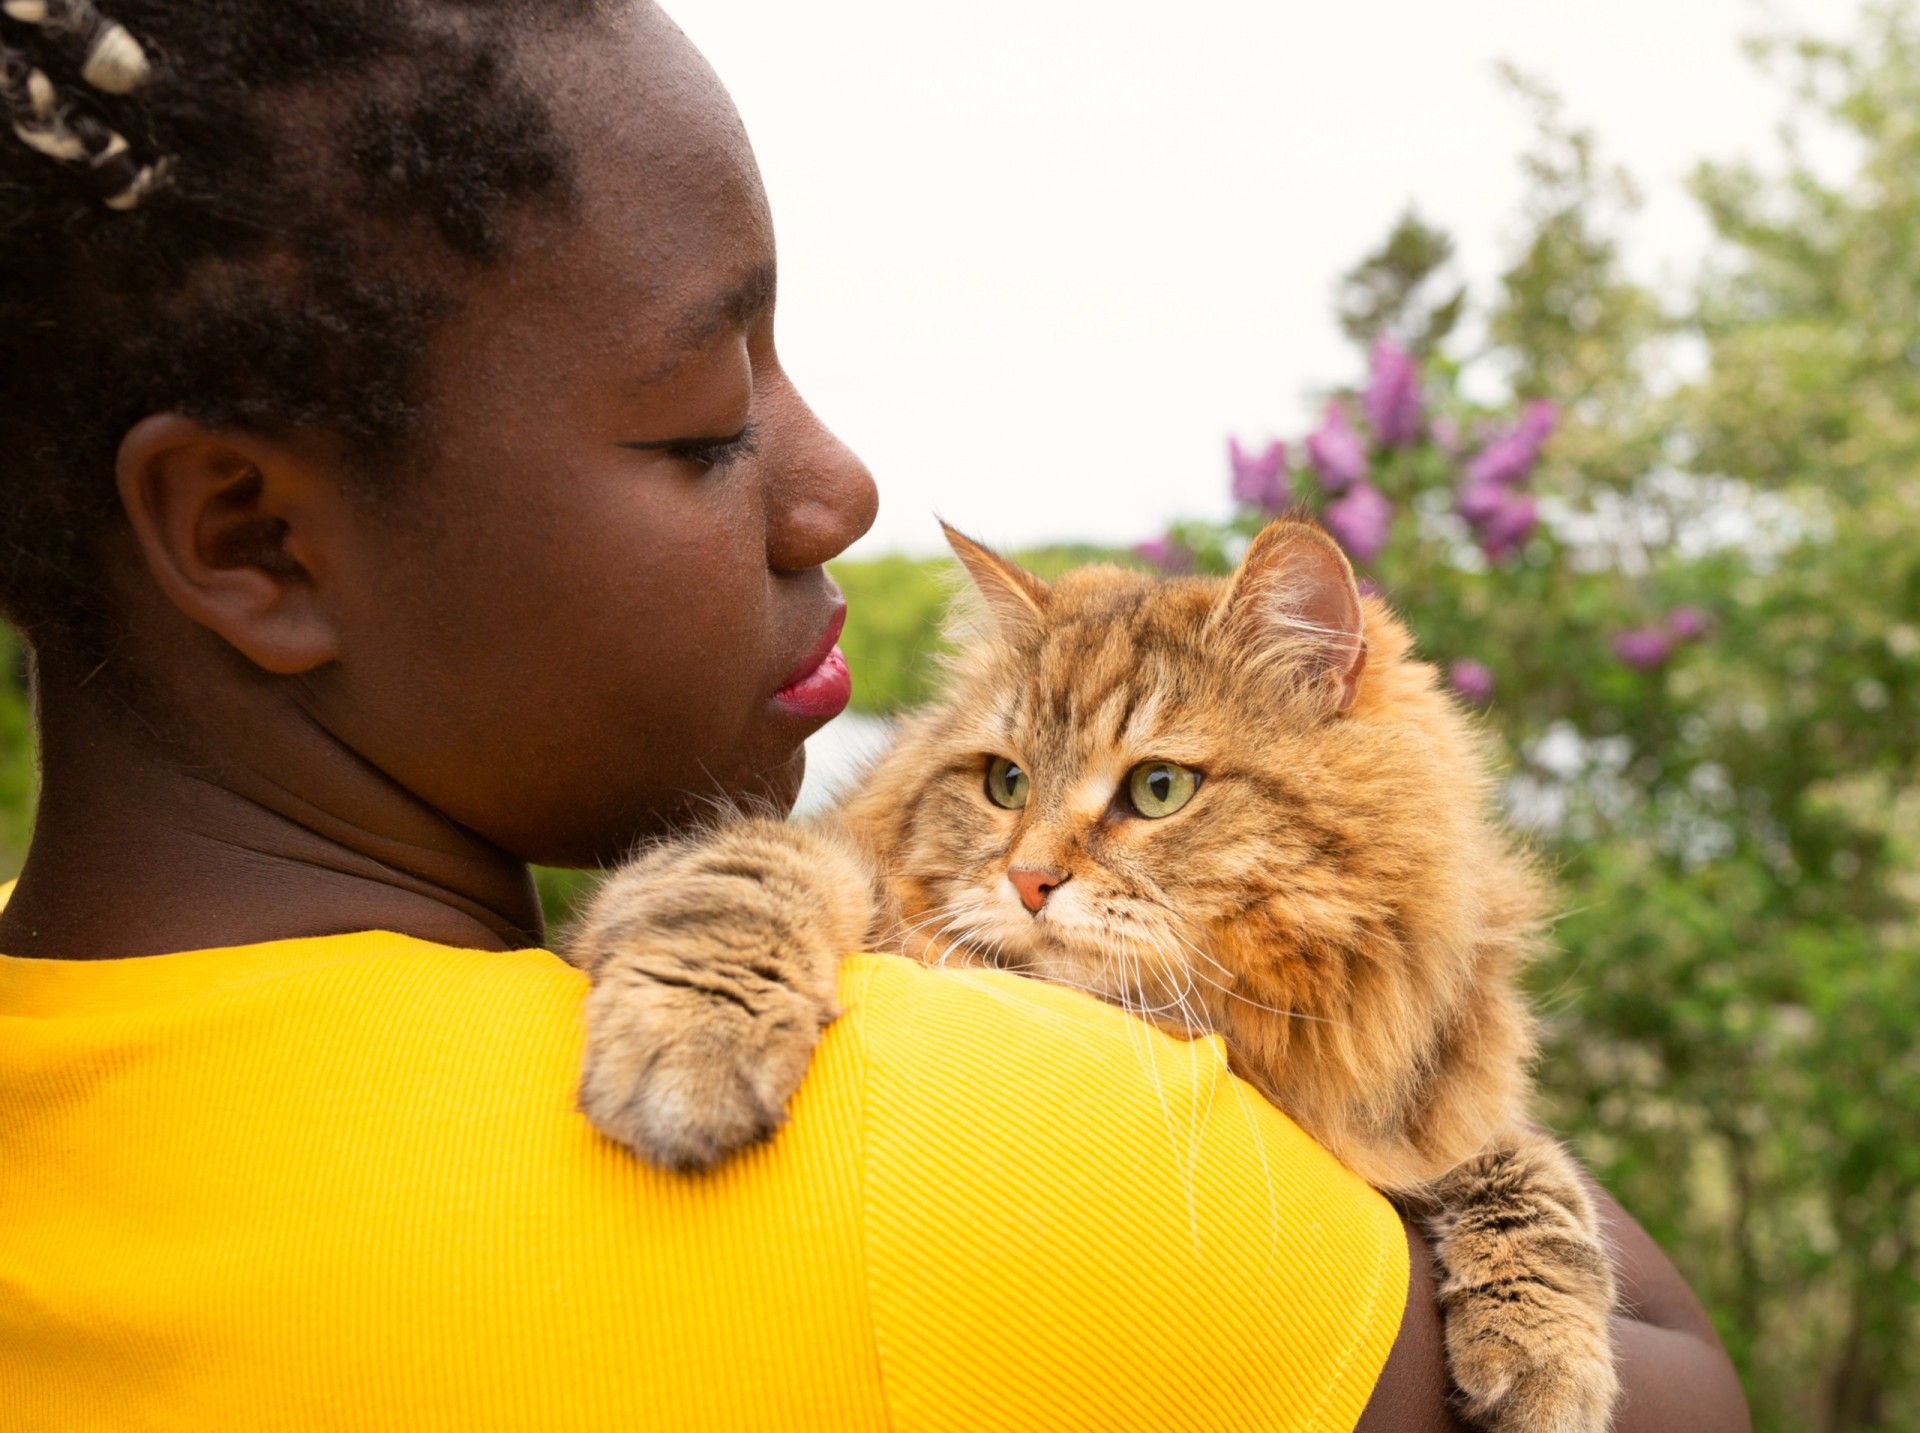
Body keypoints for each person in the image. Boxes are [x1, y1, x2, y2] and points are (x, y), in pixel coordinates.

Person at [0, 2, 1747, 1429]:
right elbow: (1680, 1396)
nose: (842, 484)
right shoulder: (990, 1149)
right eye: (701, 424)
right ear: (251, 535)